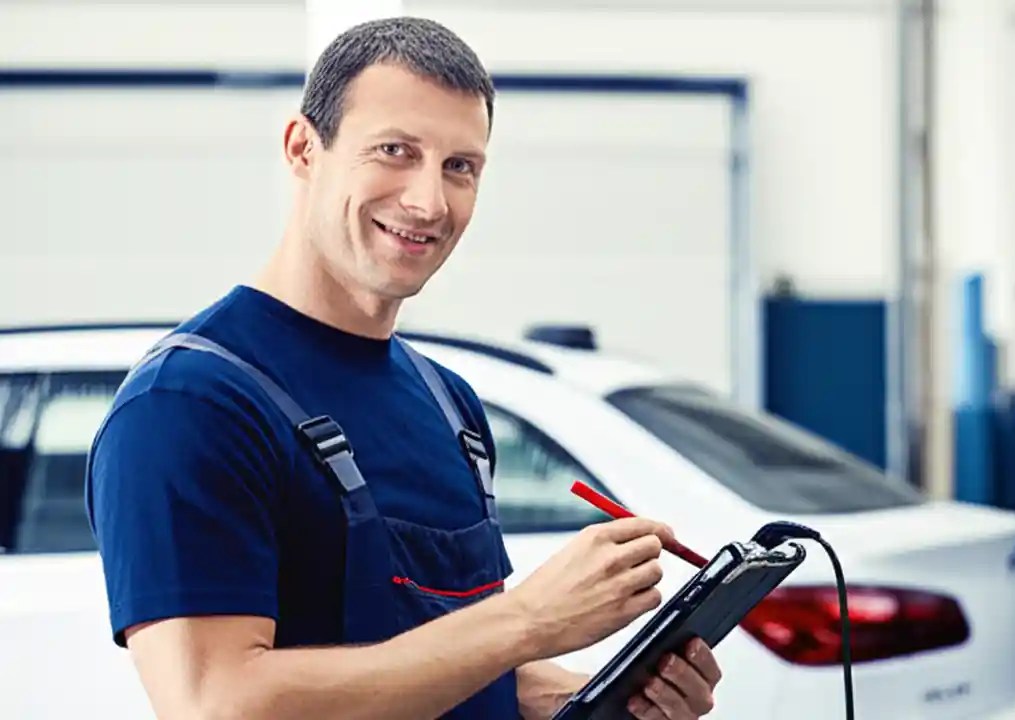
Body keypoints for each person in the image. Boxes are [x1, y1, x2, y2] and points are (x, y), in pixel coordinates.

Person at [85, 16, 722, 720]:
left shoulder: (450, 405)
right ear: (303, 148)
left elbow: (467, 669)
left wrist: (600, 699)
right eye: (394, 151)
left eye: (460, 167)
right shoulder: (191, 404)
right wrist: (530, 620)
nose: (429, 201)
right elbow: (217, 704)